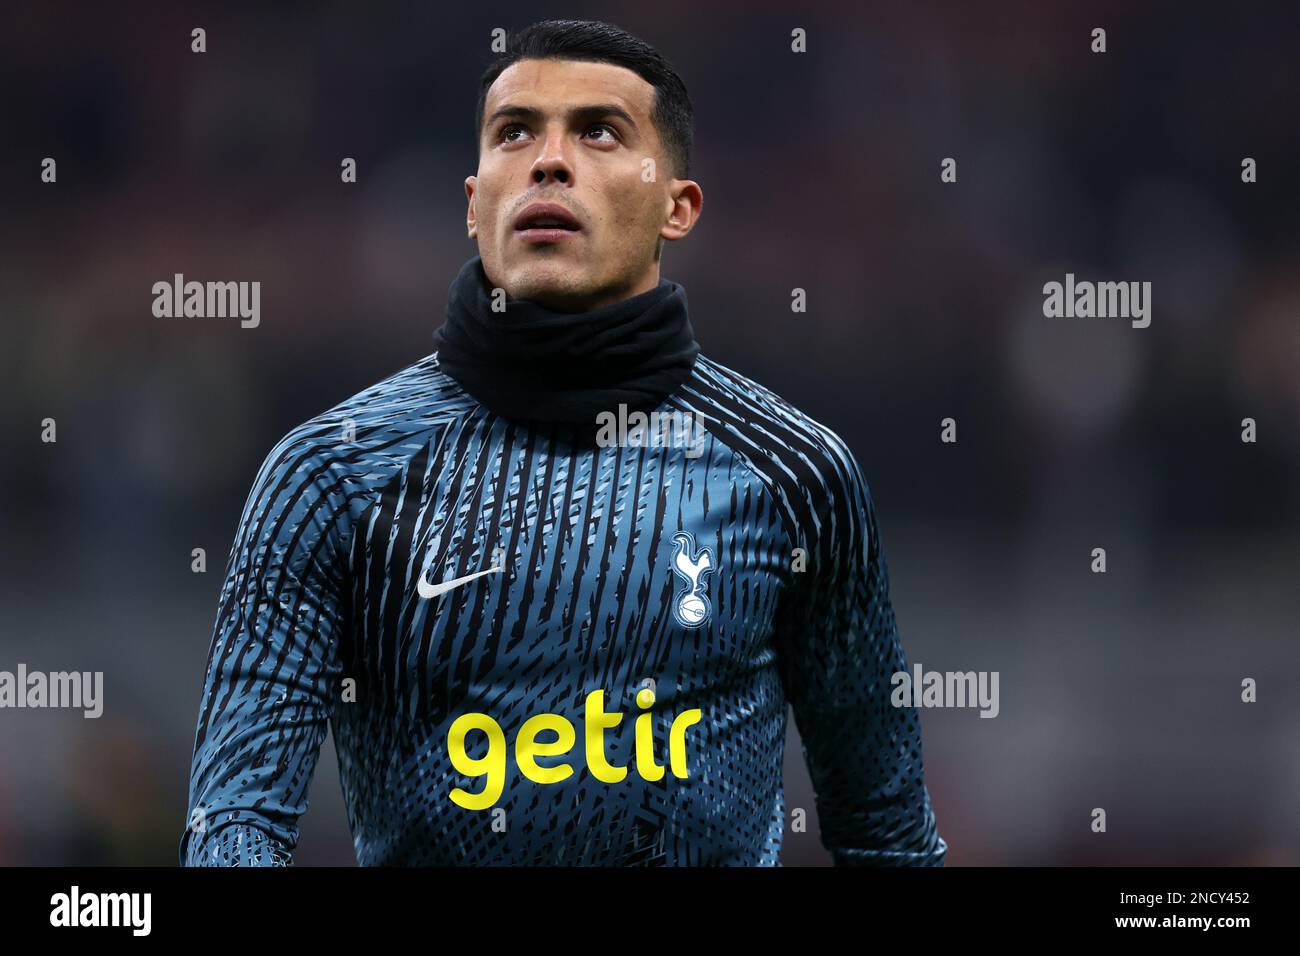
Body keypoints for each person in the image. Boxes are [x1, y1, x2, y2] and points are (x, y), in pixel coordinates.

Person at [180, 18, 947, 866]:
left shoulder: (798, 476)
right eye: (515, 133)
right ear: (474, 205)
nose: (549, 159)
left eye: (599, 132)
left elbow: (888, 836)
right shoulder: (329, 475)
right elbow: (234, 825)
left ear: (677, 206)